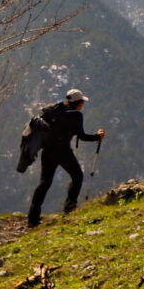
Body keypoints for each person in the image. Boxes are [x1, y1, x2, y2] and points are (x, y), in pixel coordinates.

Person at [27, 88, 106, 227]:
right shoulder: (76, 116)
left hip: (48, 151)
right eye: (82, 102)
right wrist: (98, 136)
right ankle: (69, 209)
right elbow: (82, 136)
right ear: (78, 103)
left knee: (44, 183)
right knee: (77, 176)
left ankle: (33, 218)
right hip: (63, 151)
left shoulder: (55, 111)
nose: (83, 105)